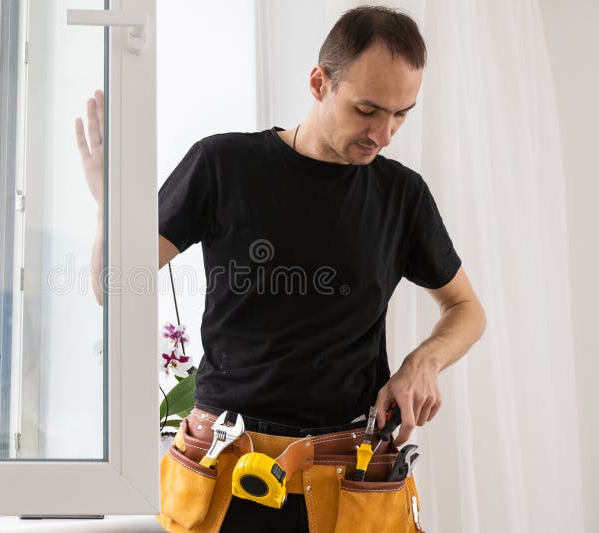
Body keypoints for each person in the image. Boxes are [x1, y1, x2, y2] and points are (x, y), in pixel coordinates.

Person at [76, 5, 486, 532]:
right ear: (319, 83)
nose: (383, 134)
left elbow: (465, 309)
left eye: (401, 113)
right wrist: (110, 206)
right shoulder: (223, 165)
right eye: (367, 109)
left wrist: (422, 363)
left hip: (350, 483)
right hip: (226, 473)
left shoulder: (401, 195)